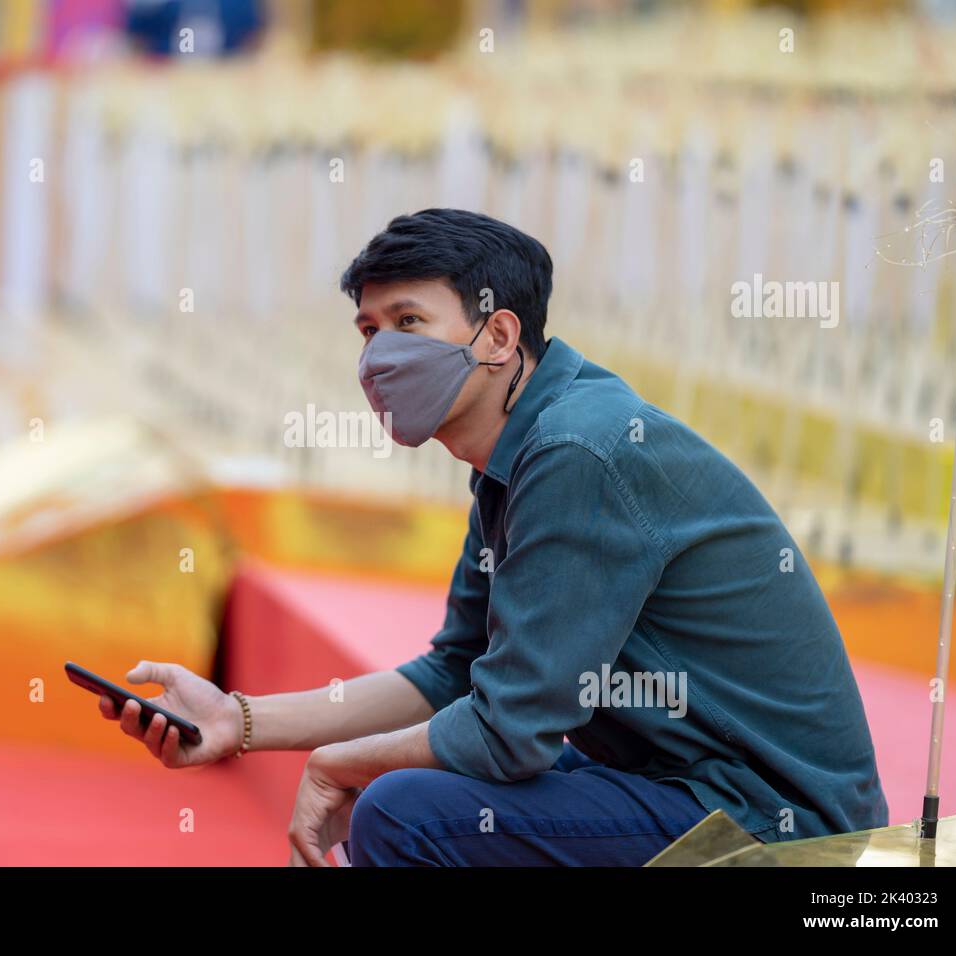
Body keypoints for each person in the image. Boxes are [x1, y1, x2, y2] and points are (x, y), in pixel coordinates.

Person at [99, 208, 889, 866]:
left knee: (409, 813)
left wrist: (345, 763)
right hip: (679, 778)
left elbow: (508, 734)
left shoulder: (577, 449)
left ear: (499, 336)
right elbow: (454, 672)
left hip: (776, 828)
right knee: (423, 788)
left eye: (409, 322)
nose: (379, 356)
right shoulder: (524, 448)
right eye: (368, 329)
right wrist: (238, 722)